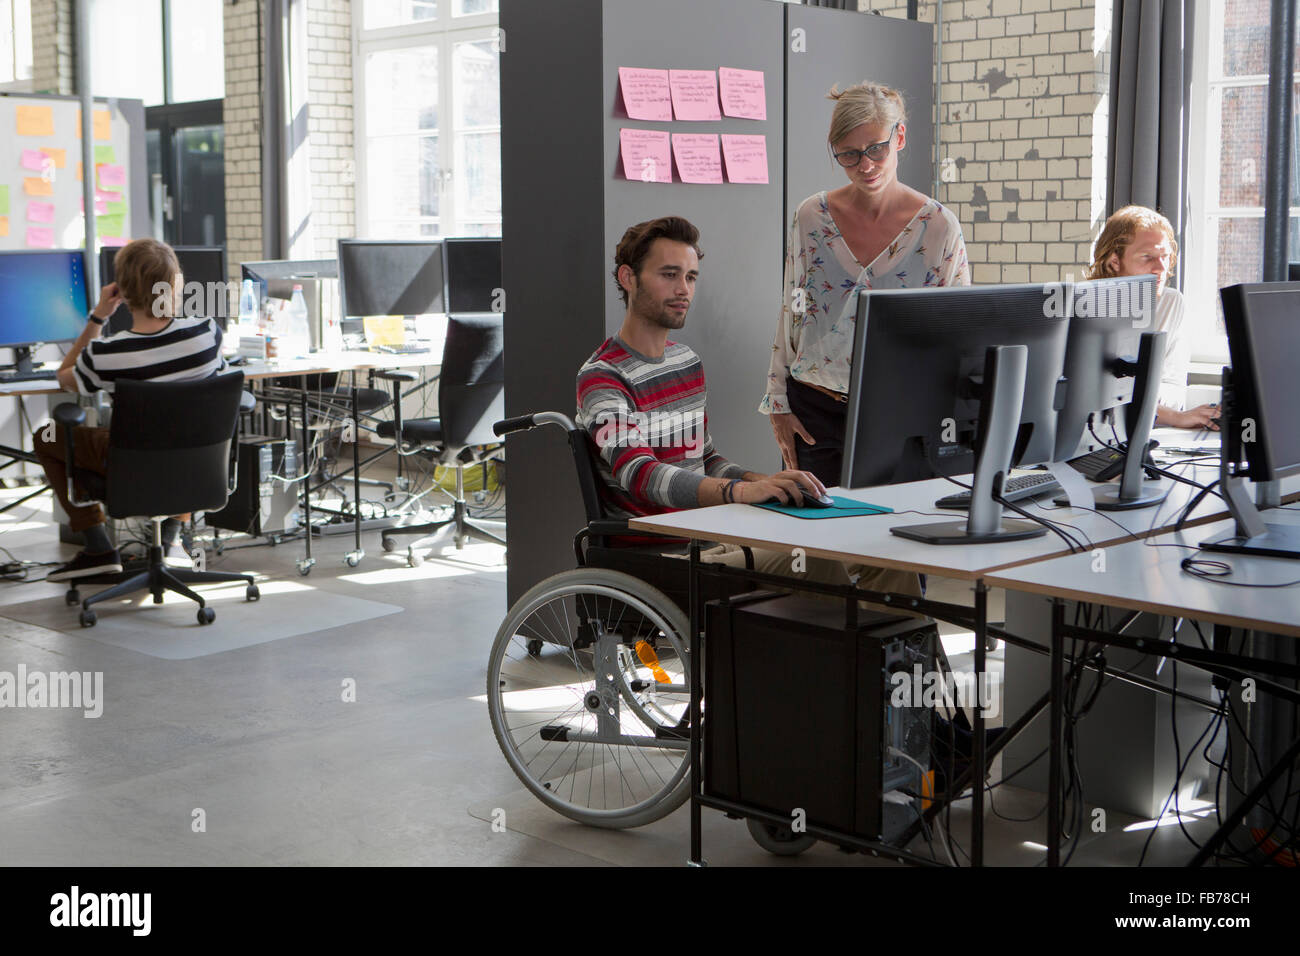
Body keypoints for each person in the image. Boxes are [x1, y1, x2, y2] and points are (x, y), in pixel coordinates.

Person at [577, 215, 921, 601]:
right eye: (669, 275)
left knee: (885, 556)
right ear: (628, 278)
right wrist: (739, 493)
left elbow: (705, 461)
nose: (683, 289)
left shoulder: (686, 362)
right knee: (815, 562)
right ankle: (831, 658)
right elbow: (638, 474)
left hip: (711, 537)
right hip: (659, 554)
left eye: (690, 277)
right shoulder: (601, 377)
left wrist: (767, 483)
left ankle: (901, 659)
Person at [760, 81, 971, 483]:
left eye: (876, 148)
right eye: (850, 155)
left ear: (900, 137)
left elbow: (956, 338)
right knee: (818, 537)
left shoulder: (939, 228)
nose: (866, 166)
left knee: (893, 535)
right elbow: (792, 309)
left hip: (901, 411)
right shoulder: (811, 217)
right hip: (814, 409)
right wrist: (778, 402)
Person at [33, 238, 228, 582]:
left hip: (131, 467)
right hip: (198, 468)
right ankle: (169, 540)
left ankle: (98, 547)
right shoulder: (207, 333)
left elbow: (65, 377)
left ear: (122, 290)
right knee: (181, 429)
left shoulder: (107, 354)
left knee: (47, 438)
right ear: (175, 284)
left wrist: (98, 316)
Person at [1085, 205, 1219, 430]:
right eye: (1147, 257)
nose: (1161, 268)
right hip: (1093, 436)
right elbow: (1090, 399)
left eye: (1165, 256)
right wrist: (1172, 416)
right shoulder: (1084, 307)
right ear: (1114, 261)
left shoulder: (1171, 303)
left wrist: (1153, 407)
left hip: (1138, 432)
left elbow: (1173, 386)